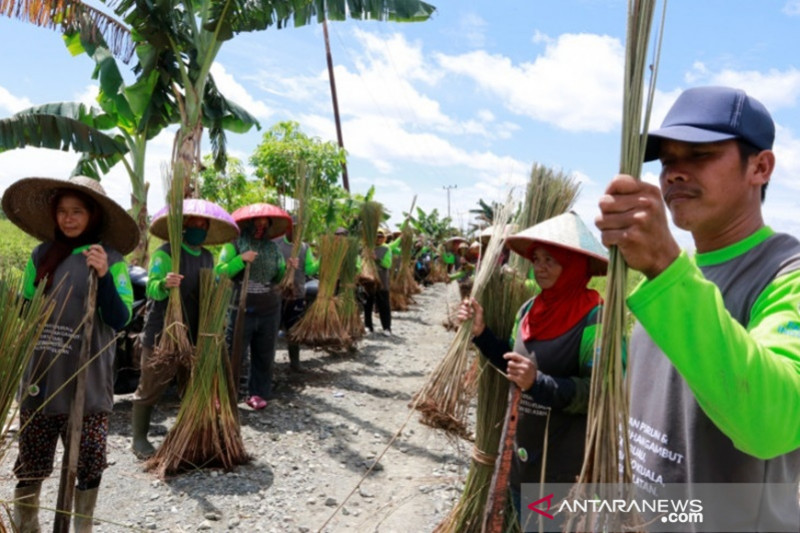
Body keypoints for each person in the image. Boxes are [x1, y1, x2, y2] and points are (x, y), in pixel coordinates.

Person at [596, 86, 800, 531]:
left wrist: (665, 266)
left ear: (759, 167)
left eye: (699, 154)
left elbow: (774, 424)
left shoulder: (787, 274)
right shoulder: (675, 275)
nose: (673, 174)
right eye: (667, 161)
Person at [2, 176, 138, 532]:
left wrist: (105, 276)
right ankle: (26, 527)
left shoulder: (111, 259)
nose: (69, 218)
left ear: (93, 216)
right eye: (62, 211)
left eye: (77, 211)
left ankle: (82, 528)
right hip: (41, 379)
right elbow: (25, 307)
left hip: (88, 383)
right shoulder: (41, 255)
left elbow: (120, 318)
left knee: (89, 464)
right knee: (31, 463)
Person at [458, 212, 608, 512]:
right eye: (536, 258)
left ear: (574, 264)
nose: (539, 267)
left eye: (550, 260)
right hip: (522, 456)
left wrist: (537, 383)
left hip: (564, 469)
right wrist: (481, 334)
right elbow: (515, 367)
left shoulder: (596, 318)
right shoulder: (528, 310)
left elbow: (600, 393)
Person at [131, 199, 238, 458]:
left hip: (194, 332)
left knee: (192, 386)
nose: (199, 228)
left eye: (204, 224)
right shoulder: (165, 254)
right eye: (194, 224)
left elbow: (209, 290)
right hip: (162, 332)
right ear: (183, 226)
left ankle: (189, 433)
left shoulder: (207, 257)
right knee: (151, 385)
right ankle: (139, 439)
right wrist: (164, 284)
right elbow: (152, 288)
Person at [216, 204, 292, 409]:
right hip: (240, 309)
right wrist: (240, 259)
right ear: (247, 224)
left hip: (269, 309)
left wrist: (287, 270)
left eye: (265, 222)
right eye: (256, 222)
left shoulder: (273, 249)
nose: (261, 225)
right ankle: (224, 394)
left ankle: (258, 393)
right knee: (234, 353)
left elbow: (277, 278)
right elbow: (219, 273)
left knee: (264, 354)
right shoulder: (233, 245)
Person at [276, 215, 319, 372]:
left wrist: (321, 261)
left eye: (299, 228)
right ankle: (268, 364)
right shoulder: (276, 244)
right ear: (286, 228)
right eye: (293, 227)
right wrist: (284, 266)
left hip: (297, 294)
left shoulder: (304, 247)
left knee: (294, 329)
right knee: (272, 329)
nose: (295, 231)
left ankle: (295, 362)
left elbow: (309, 269)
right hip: (277, 294)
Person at [363, 227, 393, 336]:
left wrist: (376, 258)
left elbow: (388, 264)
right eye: (377, 236)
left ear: (384, 238)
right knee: (367, 304)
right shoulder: (368, 248)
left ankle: (387, 328)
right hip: (369, 281)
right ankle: (368, 326)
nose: (379, 238)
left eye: (381, 236)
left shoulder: (386, 249)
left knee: (384, 305)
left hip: (382, 281)